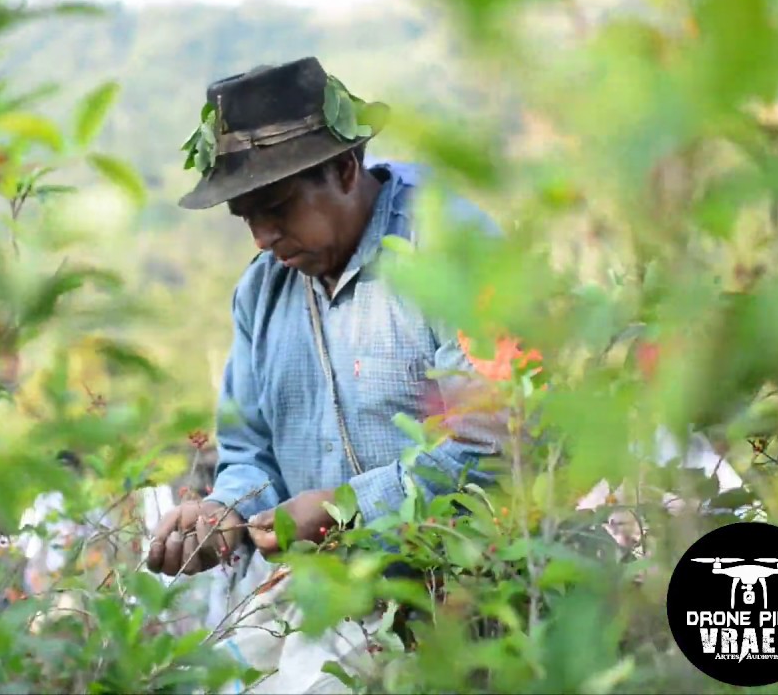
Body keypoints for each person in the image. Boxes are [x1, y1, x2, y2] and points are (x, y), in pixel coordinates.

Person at [144, 56, 510, 692]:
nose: (262, 237)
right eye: (245, 215)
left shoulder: (451, 251)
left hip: (457, 592)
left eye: (276, 206)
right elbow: (250, 454)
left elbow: (497, 445)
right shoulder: (260, 294)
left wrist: (350, 508)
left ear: (344, 170)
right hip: (322, 598)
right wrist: (225, 513)